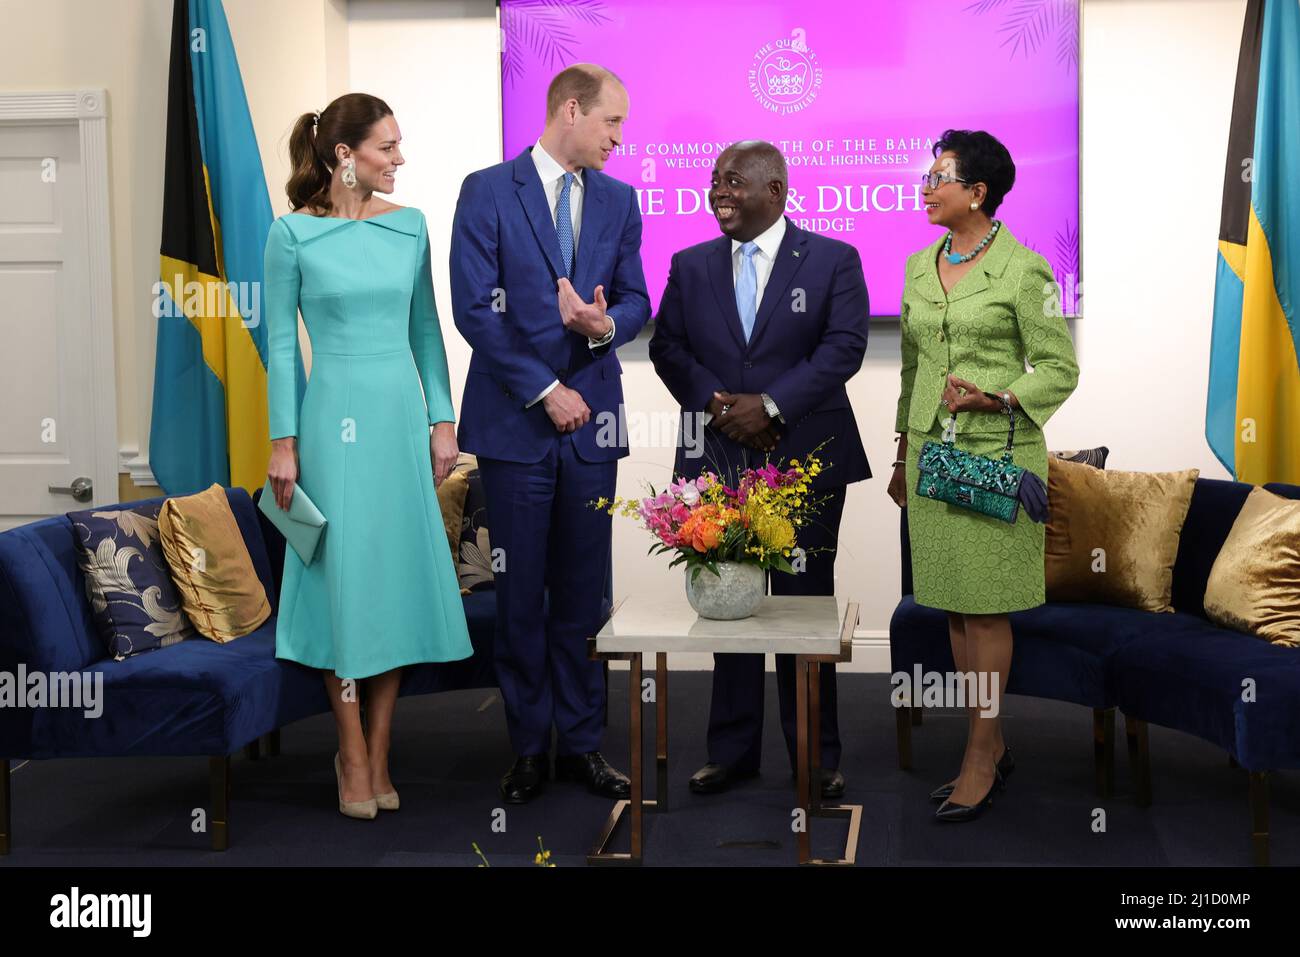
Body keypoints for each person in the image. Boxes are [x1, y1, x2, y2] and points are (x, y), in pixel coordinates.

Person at [264, 93, 472, 820]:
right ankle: (349, 750)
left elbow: (425, 330)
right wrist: (282, 441)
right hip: (328, 429)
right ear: (344, 155)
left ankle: (381, 749)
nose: (400, 159)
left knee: (393, 587)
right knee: (342, 587)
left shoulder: (411, 227)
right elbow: (282, 345)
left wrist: (443, 421)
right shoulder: (290, 234)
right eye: (387, 147)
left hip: (397, 421)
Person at [449, 64, 650, 804]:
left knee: (584, 596)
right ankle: (530, 747)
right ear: (572, 110)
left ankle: (585, 745)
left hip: (591, 428)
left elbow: (638, 299)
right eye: (612, 124)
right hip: (517, 427)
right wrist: (545, 388)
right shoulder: (488, 191)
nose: (620, 140)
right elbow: (476, 311)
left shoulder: (621, 201)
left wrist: (606, 327)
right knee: (522, 596)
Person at [648, 141, 870, 798]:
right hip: (716, 455)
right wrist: (718, 404)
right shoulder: (690, 266)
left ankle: (815, 755)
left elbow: (844, 347)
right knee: (728, 608)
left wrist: (771, 404)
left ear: (775, 190)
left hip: (805, 455)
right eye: (715, 179)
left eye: (735, 181)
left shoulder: (834, 260)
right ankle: (732, 750)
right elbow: (668, 346)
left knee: (803, 608)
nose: (720, 190)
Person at [887, 129, 1079, 822]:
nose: (926, 186)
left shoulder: (1025, 272)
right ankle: (987, 742)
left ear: (978, 192)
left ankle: (979, 752)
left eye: (940, 176)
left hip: (996, 458)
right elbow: (913, 368)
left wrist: (997, 396)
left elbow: (1060, 367)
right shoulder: (917, 265)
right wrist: (903, 454)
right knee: (956, 603)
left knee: (988, 606)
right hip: (935, 461)